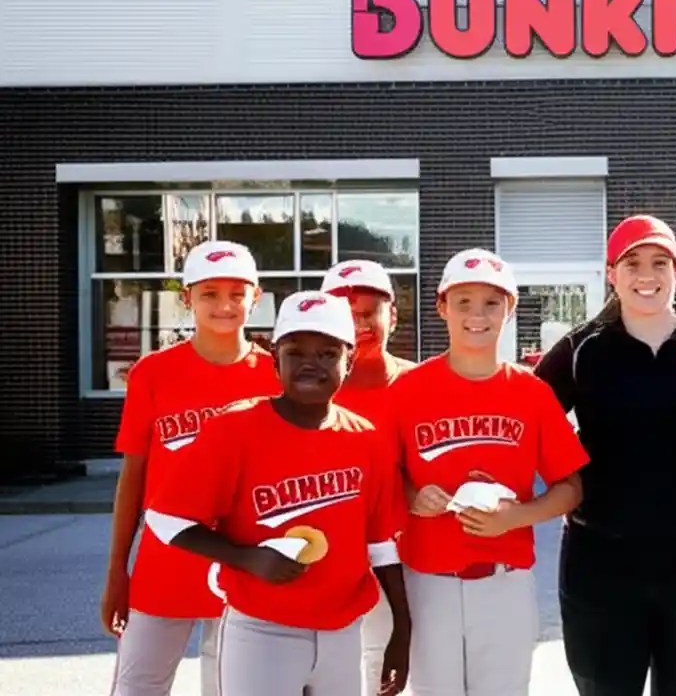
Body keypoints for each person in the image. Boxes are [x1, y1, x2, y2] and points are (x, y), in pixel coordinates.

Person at [142, 290, 412, 696]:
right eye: (295, 352)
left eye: (327, 353)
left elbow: (381, 545)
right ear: (275, 359)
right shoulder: (235, 428)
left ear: (349, 360)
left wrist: (401, 631)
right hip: (261, 627)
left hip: (343, 630)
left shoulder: (366, 439)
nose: (310, 363)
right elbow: (165, 519)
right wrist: (246, 558)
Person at [534, 215, 676, 696]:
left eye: (660, 262)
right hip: (603, 562)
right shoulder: (582, 349)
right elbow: (525, 420)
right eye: (632, 263)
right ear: (611, 274)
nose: (646, 275)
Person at [390, 248, 589, 696]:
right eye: (463, 302)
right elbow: (383, 474)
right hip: (429, 580)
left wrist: (517, 516)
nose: (477, 315)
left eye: (491, 303)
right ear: (442, 307)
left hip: (505, 581)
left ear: (509, 309)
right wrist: (412, 497)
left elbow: (571, 487)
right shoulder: (407, 389)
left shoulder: (531, 392)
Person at [101, 240, 280, 696]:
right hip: (165, 560)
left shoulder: (276, 375)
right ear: (187, 298)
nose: (224, 305)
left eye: (237, 293)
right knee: (137, 686)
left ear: (256, 297)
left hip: (244, 561)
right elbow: (133, 478)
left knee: (231, 688)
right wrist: (118, 569)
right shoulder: (152, 373)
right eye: (209, 293)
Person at [321, 259, 418, 696]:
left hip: (407, 555)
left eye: (368, 312)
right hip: (330, 555)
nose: (358, 324)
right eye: (345, 313)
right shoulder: (309, 390)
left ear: (391, 315)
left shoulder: (421, 382)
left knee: (387, 666)